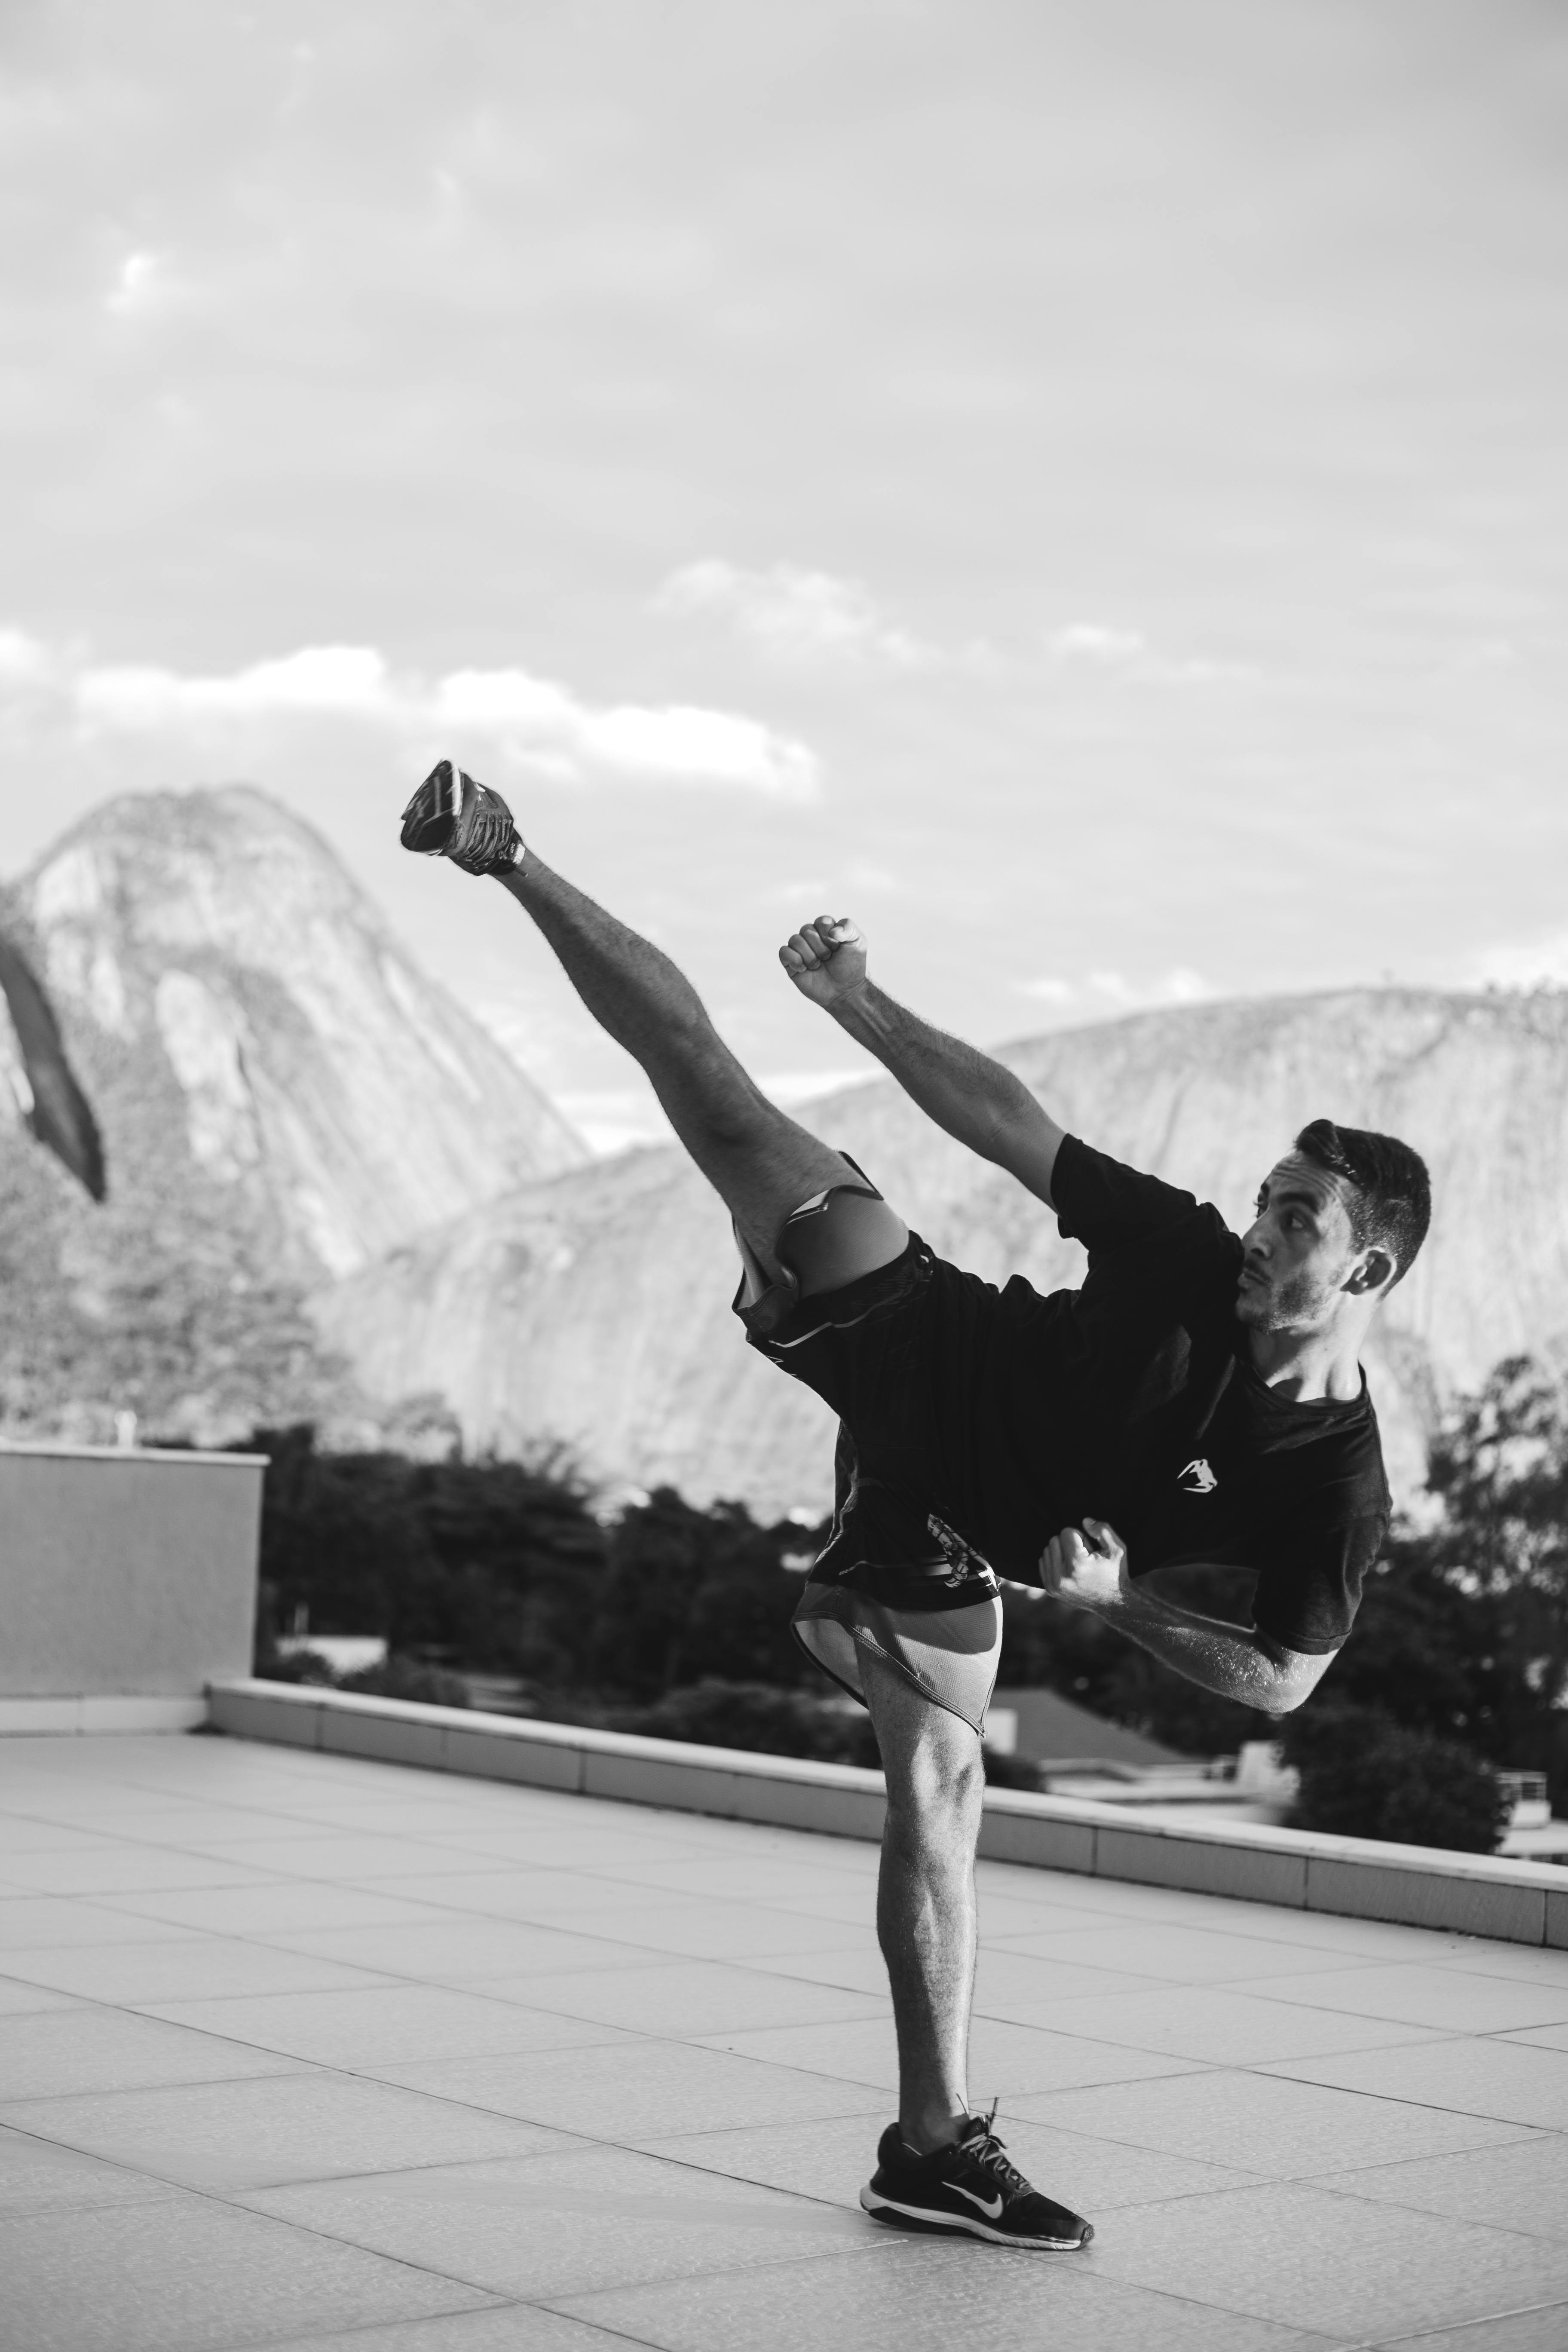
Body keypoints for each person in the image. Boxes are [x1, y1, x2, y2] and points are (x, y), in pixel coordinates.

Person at [399, 760, 1431, 2253]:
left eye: (1298, 1219)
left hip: (955, 1533)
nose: (1261, 1227)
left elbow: (1282, 1682)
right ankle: (504, 855)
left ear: (1369, 1273)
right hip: (918, 1332)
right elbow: (1014, 1128)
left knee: (944, 1793)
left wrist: (1120, 1607)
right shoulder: (1181, 1251)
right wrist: (858, 1005)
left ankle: (930, 2148)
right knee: (728, 1108)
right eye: (1268, 1195)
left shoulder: (1335, 1482)